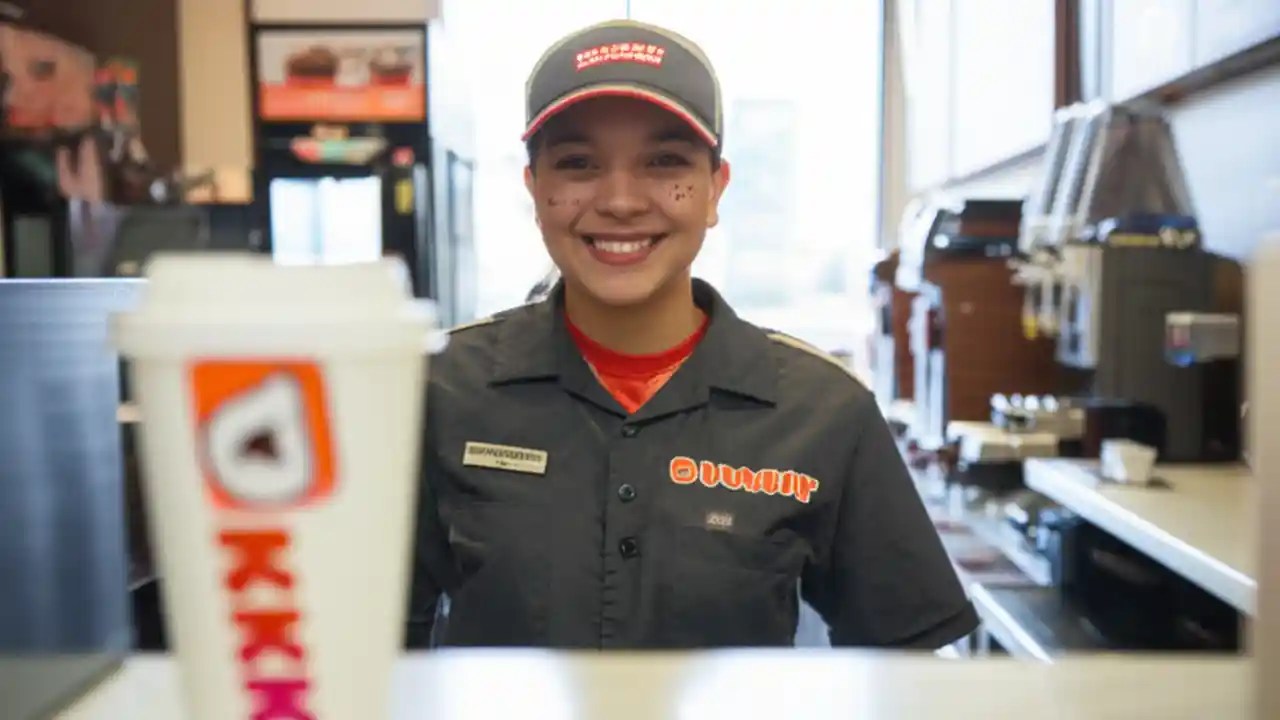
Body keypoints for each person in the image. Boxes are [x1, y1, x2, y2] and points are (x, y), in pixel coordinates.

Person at [406, 19, 977, 649]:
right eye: (577, 163)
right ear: (535, 189)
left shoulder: (824, 413)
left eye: (663, 163)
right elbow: (369, 648)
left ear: (714, 189)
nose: (621, 200)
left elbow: (901, 666)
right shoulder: (437, 391)